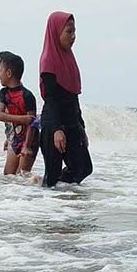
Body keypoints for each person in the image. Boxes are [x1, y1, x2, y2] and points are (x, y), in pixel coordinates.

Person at [38, 11, 92, 188]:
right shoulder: (48, 61)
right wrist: (56, 130)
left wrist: (81, 127)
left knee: (83, 168)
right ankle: (47, 211)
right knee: (51, 179)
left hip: (72, 123)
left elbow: (73, 97)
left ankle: (65, 205)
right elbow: (51, 98)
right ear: (56, 31)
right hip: (53, 124)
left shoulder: (69, 60)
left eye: (74, 31)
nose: (73, 36)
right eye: (68, 32)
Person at [0, 51, 39, 176]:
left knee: (21, 177)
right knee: (8, 175)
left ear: (8, 73)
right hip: (15, 139)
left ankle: (35, 188)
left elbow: (32, 124)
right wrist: (9, 137)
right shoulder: (4, 93)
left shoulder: (27, 95)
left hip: (31, 140)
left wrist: (27, 146)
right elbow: (0, 115)